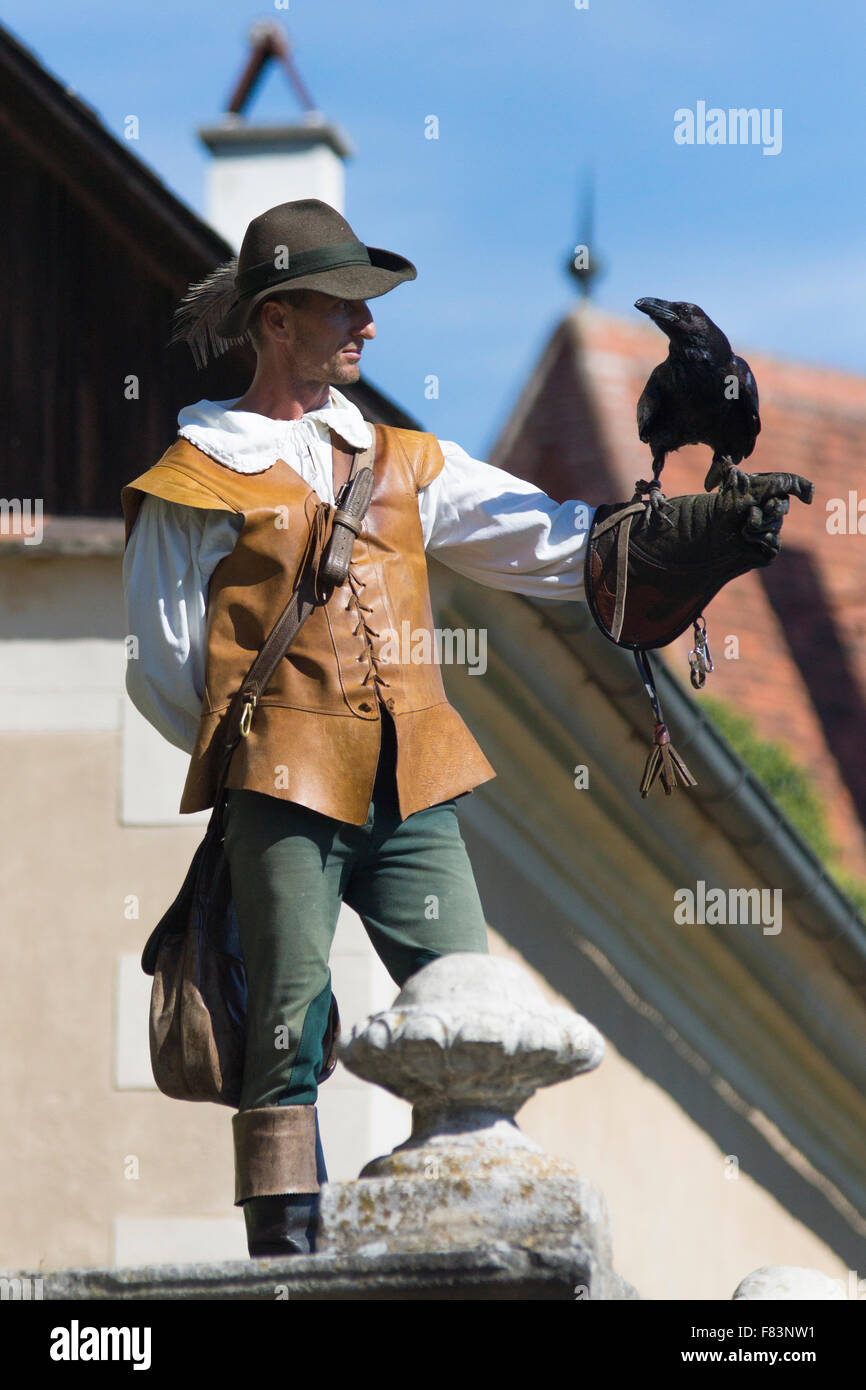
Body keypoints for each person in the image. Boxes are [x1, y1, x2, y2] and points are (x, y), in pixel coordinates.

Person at [121, 199, 808, 1257]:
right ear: (275, 320)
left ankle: (481, 1212)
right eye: (343, 305)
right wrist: (251, 756)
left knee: (465, 993)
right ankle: (286, 1247)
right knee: (288, 1019)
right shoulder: (196, 470)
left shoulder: (400, 458)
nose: (369, 324)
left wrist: (691, 534)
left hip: (413, 778)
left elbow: (545, 541)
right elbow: (166, 663)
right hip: (285, 780)